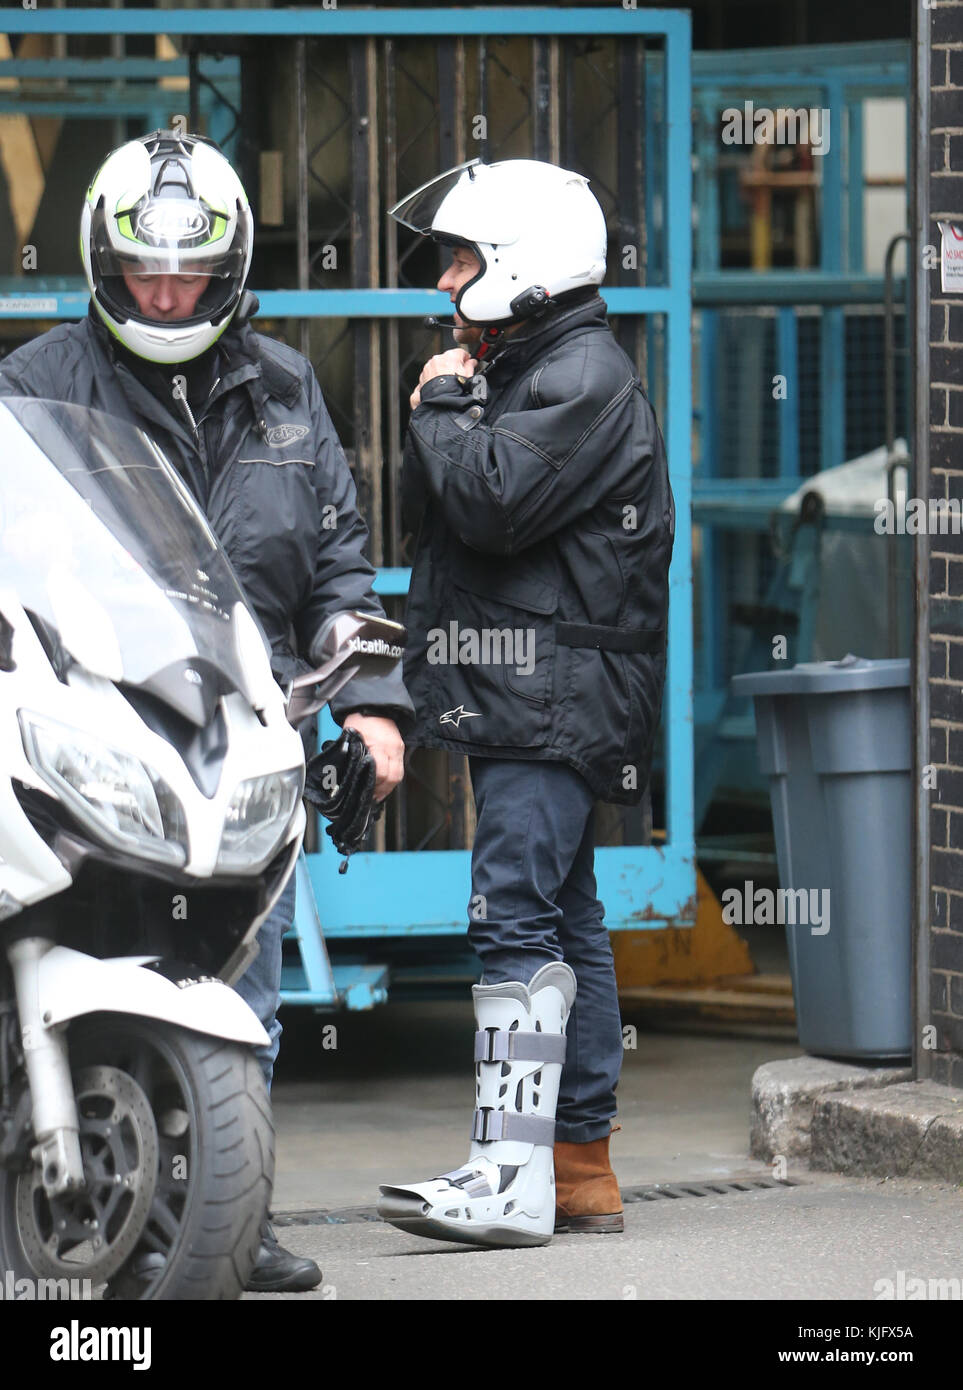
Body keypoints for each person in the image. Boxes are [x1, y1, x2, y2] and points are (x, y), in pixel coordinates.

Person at [0, 129, 413, 1290]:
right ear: (104, 261)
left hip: (241, 718)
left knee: (241, 978)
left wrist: (369, 703)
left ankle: (226, 1213)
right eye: (145, 272)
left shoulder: (284, 386)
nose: (167, 293)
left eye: (189, 273)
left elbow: (339, 564)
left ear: (230, 267)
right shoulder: (35, 381)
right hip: (83, 701)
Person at [377, 158, 675, 1248]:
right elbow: (445, 509)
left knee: (513, 914)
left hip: (552, 696)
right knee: (565, 915)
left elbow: (491, 503)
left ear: (519, 266)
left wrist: (446, 399)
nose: (447, 279)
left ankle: (509, 1172)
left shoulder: (579, 375)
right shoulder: (537, 366)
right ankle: (576, 1166)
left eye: (462, 258)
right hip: (535, 689)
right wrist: (454, 403)